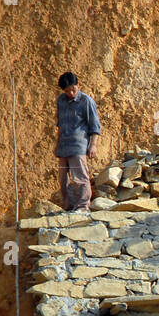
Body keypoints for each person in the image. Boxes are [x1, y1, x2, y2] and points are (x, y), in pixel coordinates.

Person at [54, 71, 102, 212]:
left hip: (78, 145)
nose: (71, 93)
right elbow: (59, 124)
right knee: (63, 180)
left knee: (80, 177)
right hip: (63, 146)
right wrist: (57, 144)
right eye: (67, 91)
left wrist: (93, 145)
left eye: (73, 89)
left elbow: (95, 125)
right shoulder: (61, 101)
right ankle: (69, 205)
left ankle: (82, 206)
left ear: (78, 85)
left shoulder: (86, 101)